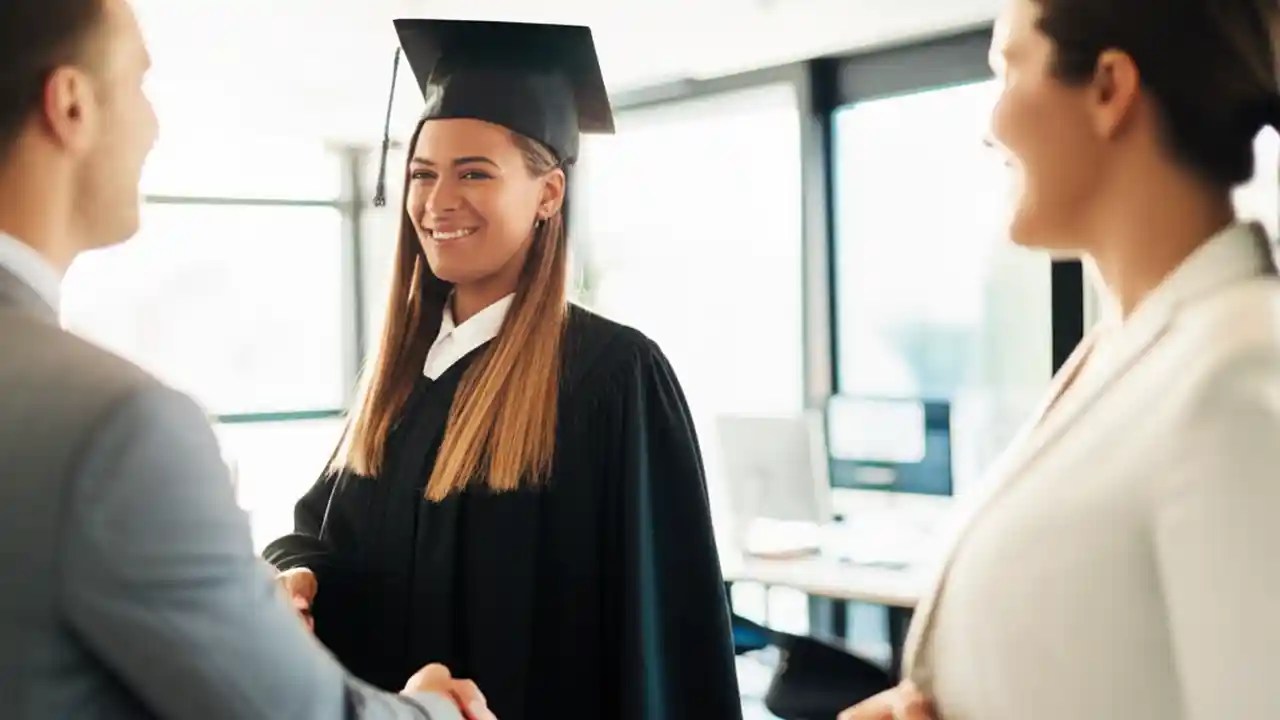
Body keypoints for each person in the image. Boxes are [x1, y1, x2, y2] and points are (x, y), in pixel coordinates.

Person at [0, 1, 495, 718]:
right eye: (140, 84)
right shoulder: (120, 427)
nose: (154, 126)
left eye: (473, 174)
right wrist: (434, 708)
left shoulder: (613, 371)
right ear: (70, 104)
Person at [263, 19, 743, 720]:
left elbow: (662, 640)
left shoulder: (611, 377)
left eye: (474, 173)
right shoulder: (401, 376)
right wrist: (294, 576)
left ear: (548, 194)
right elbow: (328, 539)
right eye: (422, 174)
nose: (436, 202)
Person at [842, 0, 1280, 719]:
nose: (990, 129)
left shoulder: (1235, 378)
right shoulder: (1128, 352)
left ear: (1109, 88)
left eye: (1009, 70)